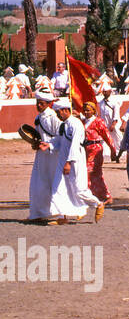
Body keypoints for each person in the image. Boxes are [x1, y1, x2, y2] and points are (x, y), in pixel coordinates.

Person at [47, 98, 98, 224]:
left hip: (75, 161)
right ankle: (62, 217)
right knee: (58, 188)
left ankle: (98, 204)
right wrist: (48, 145)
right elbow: (58, 141)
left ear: (65, 110)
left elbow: (75, 145)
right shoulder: (63, 125)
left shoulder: (76, 124)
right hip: (62, 160)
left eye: (58, 112)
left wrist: (69, 162)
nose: (57, 115)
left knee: (79, 190)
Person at [27, 90, 61, 222]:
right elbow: (36, 135)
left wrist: (50, 145)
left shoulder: (54, 117)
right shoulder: (38, 118)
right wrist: (35, 144)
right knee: (39, 182)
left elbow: (60, 136)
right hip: (41, 155)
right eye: (37, 103)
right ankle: (39, 213)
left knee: (55, 182)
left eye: (41, 103)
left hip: (54, 155)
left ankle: (58, 213)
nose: (38, 106)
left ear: (48, 104)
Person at [80, 100, 115, 211]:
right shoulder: (83, 121)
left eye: (88, 110)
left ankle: (90, 196)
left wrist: (113, 149)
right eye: (84, 110)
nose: (86, 112)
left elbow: (107, 135)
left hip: (96, 149)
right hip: (86, 149)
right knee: (96, 174)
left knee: (89, 172)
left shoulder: (98, 121)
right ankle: (103, 195)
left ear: (93, 111)